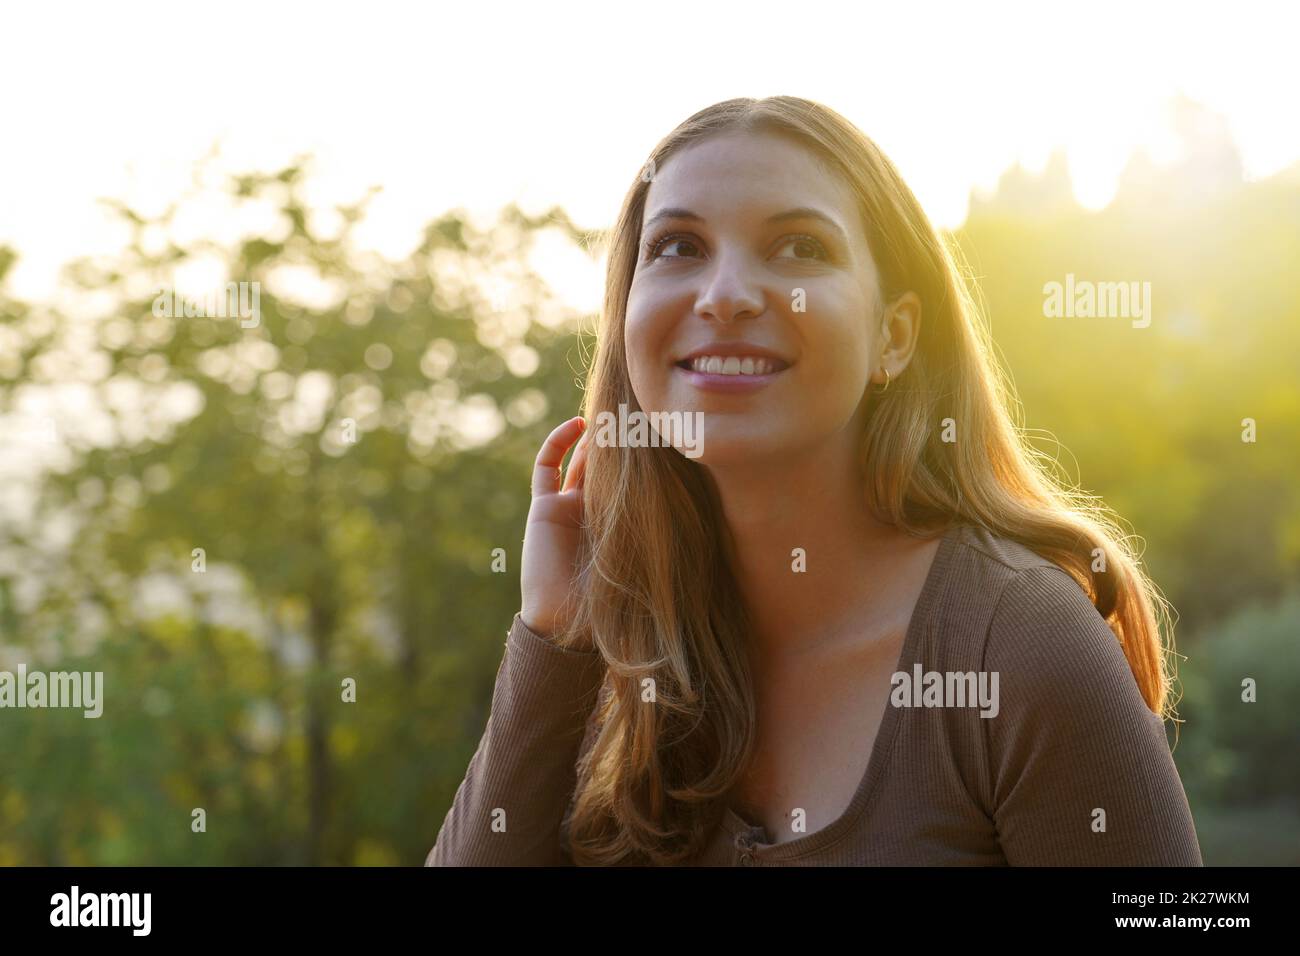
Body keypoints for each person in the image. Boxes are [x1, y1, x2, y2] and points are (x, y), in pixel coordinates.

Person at [427, 96, 1203, 867]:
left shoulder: (1022, 646)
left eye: (799, 246)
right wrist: (555, 639)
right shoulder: (612, 651)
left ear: (893, 337)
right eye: (677, 247)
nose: (725, 294)